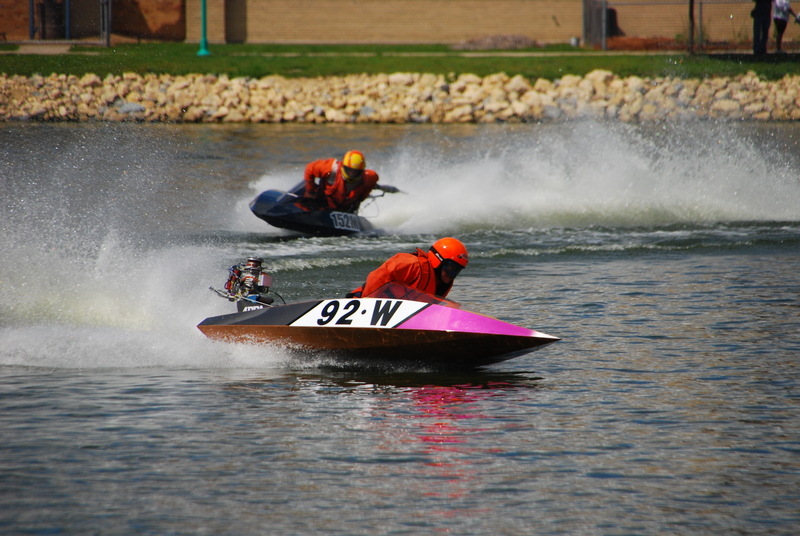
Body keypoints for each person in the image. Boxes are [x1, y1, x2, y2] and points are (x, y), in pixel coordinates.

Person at [348, 237, 469, 299]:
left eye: (457, 270)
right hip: (359, 304)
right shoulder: (413, 264)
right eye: (451, 268)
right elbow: (377, 277)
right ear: (438, 260)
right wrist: (367, 305)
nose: (452, 274)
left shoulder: (443, 284)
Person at [303, 150, 384, 212]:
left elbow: (373, 180)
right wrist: (310, 190)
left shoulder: (367, 177)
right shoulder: (331, 168)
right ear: (343, 166)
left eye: (356, 172)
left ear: (361, 171)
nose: (352, 174)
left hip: (345, 209)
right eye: (349, 170)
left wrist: (361, 198)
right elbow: (309, 169)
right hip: (322, 200)